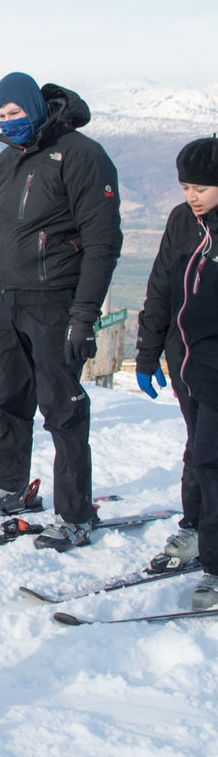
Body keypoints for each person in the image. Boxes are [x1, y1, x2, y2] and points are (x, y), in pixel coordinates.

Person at [0, 73, 123, 550]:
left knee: (62, 409)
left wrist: (83, 315)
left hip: (55, 302)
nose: (8, 123)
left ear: (35, 106)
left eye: (15, 113)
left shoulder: (80, 154)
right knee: (8, 399)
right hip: (5, 299)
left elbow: (103, 241)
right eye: (1, 116)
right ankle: (10, 486)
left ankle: (75, 513)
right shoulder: (7, 160)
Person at [135, 136, 218, 611]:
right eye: (186, 185)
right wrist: (148, 354)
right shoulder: (181, 222)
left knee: (211, 460)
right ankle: (196, 527)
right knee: (197, 453)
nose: (193, 195)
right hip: (183, 360)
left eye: (202, 186)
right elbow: (162, 287)